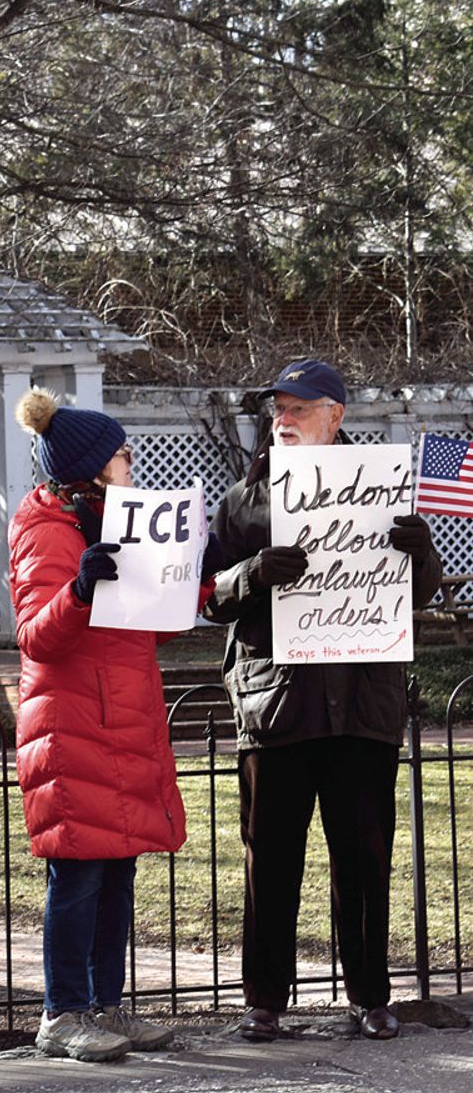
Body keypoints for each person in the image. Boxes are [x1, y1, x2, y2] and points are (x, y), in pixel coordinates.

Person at [202, 359, 441, 1044]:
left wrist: (420, 551)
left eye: (299, 406)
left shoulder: (384, 491)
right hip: (277, 706)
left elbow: (417, 593)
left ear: (336, 414)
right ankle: (264, 1002)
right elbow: (207, 596)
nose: (283, 416)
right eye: (277, 405)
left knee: (364, 860)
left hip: (363, 709)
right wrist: (250, 575)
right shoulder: (242, 501)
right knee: (270, 862)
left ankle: (369, 997)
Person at [9, 388, 187, 1063]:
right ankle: (62, 1011)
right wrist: (80, 590)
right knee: (78, 874)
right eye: (121, 454)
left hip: (125, 716)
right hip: (71, 724)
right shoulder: (45, 527)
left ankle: (105, 1005)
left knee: (117, 870)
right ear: (89, 467)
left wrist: (194, 577)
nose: (131, 461)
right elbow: (37, 637)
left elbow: (163, 624)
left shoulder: (125, 519)